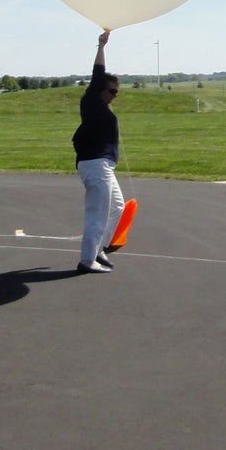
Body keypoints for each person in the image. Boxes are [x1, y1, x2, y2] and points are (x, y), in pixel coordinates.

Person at [71, 29, 124, 273]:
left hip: (104, 165)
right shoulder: (92, 102)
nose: (114, 95)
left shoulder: (102, 106)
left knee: (117, 207)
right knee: (98, 212)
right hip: (95, 164)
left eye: (117, 92)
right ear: (100, 89)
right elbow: (98, 74)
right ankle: (86, 260)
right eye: (111, 91)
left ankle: (98, 249)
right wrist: (102, 46)